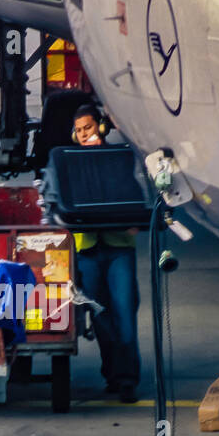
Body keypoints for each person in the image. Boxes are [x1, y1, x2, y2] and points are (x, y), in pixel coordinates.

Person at [69, 104, 141, 403]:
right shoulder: (70, 163)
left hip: (118, 250)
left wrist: (134, 220)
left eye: (90, 127)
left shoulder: (120, 158)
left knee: (124, 314)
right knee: (100, 318)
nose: (86, 134)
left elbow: (136, 192)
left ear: (100, 127)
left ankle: (126, 381)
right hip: (87, 251)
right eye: (80, 130)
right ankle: (112, 374)